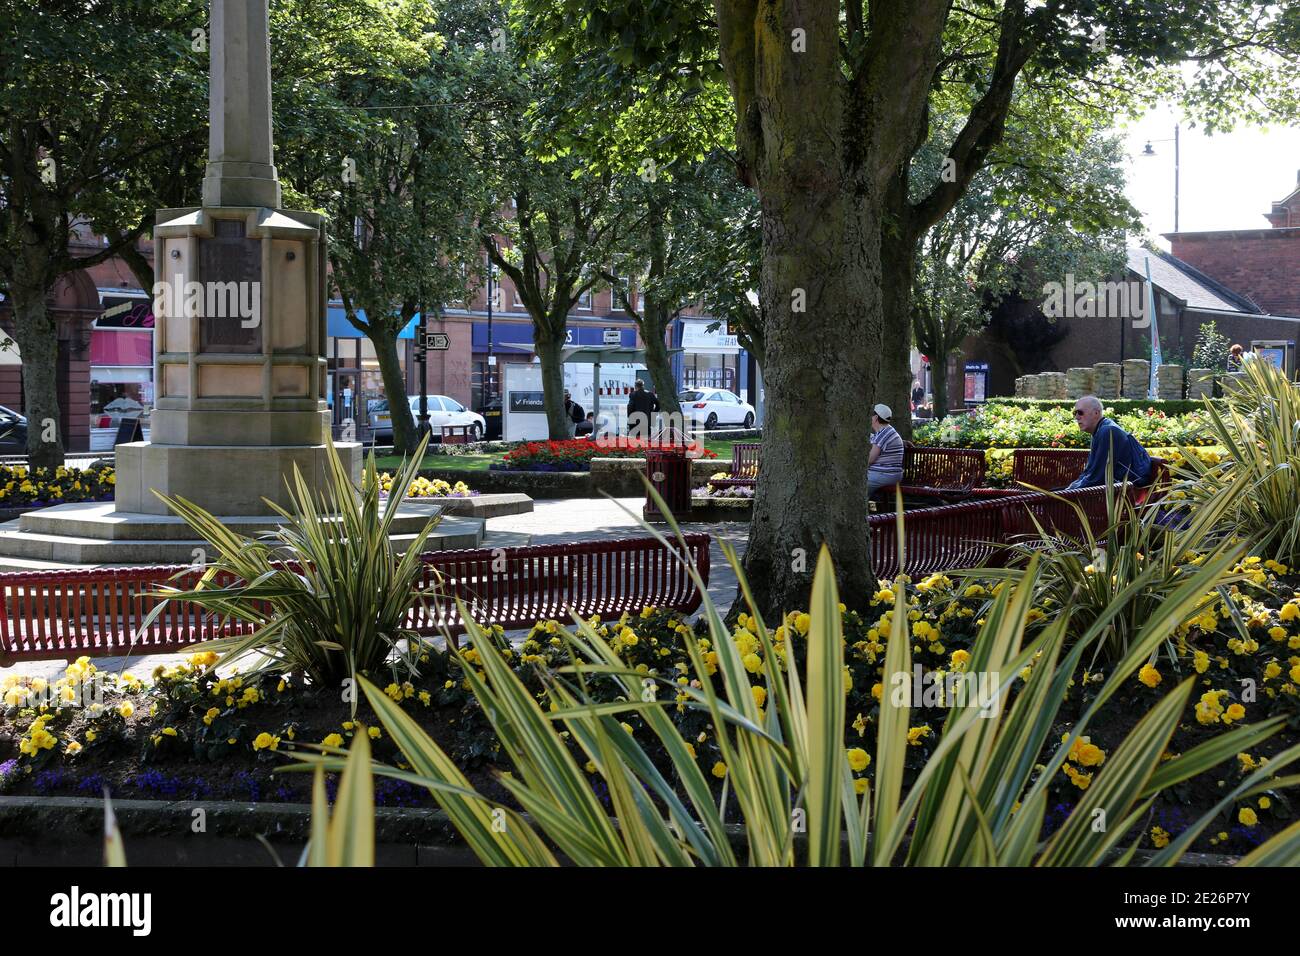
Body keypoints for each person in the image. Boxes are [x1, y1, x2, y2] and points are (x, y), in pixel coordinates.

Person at [1065, 395, 1152, 489]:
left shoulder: (1107, 432)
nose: (1077, 417)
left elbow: (1097, 478)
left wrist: (1068, 492)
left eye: (1080, 412)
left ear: (1096, 413)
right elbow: (1091, 472)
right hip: (1113, 489)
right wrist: (1070, 488)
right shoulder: (1100, 430)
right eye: (1075, 413)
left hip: (1124, 493)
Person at [868, 403, 905, 498]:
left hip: (885, 475)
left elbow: (870, 459)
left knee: (856, 485)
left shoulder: (883, 434)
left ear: (875, 418)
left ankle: (857, 511)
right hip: (888, 474)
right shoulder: (886, 431)